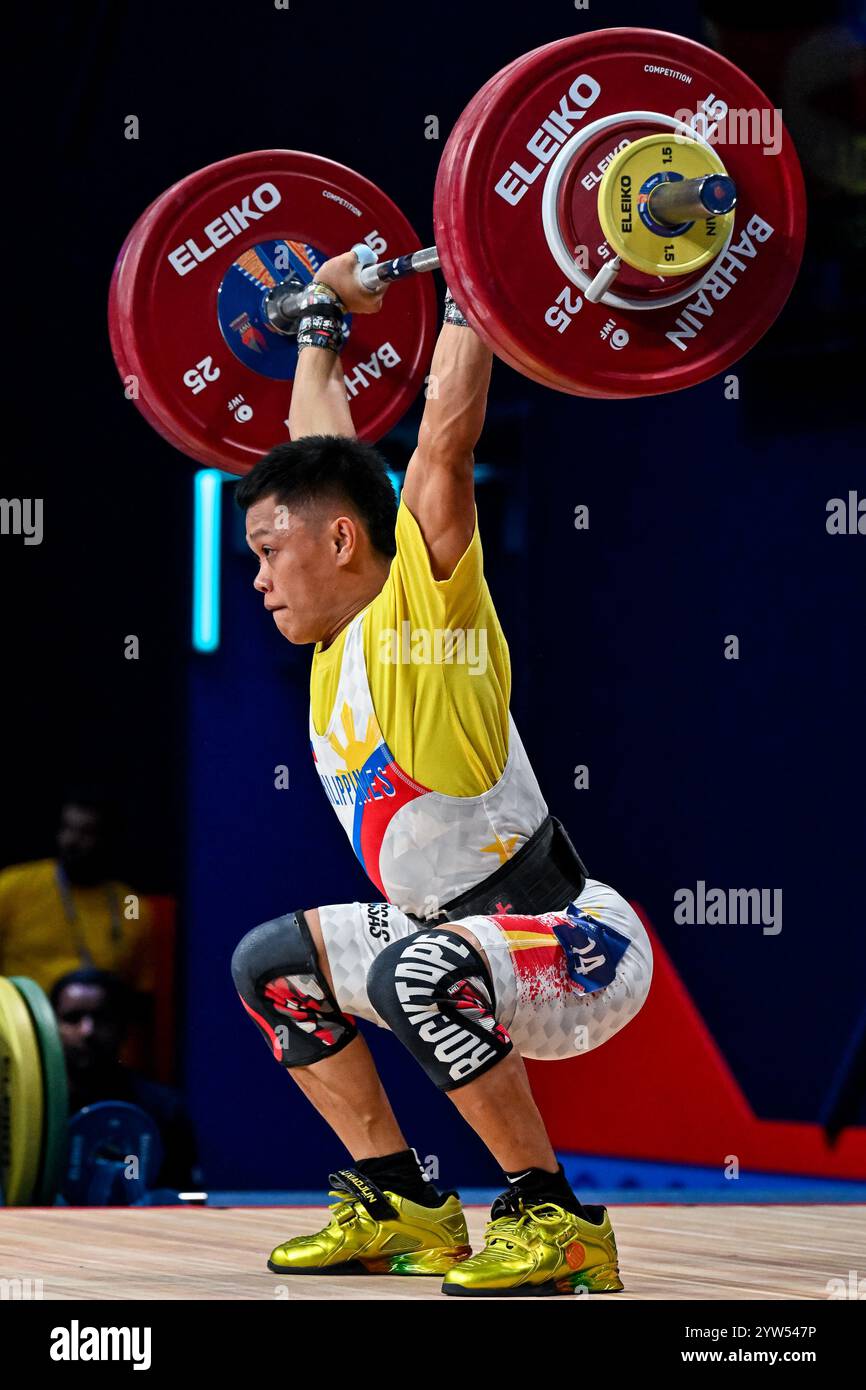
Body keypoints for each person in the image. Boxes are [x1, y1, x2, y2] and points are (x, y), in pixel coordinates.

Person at [230, 255, 653, 1296]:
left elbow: (443, 440)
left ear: (340, 542)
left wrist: (473, 280)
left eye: (266, 550)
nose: (255, 575)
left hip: (573, 947)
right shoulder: (337, 648)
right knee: (272, 963)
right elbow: (318, 455)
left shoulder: (429, 616)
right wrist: (318, 322)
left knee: (411, 977)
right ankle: (402, 1204)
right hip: (455, 939)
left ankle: (554, 1222)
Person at [51, 968, 198, 1191]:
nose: (87, 1031)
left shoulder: (164, 1108)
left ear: (123, 1025)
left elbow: (182, 1196)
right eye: (72, 1018)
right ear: (49, 1025)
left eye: (101, 1018)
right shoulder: (26, 1111)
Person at [0, 789, 154, 996]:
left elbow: (139, 985)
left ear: (108, 839)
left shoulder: (130, 902)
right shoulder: (13, 886)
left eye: (86, 832)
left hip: (99, 1017)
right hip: (26, 1018)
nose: (72, 841)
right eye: (67, 828)